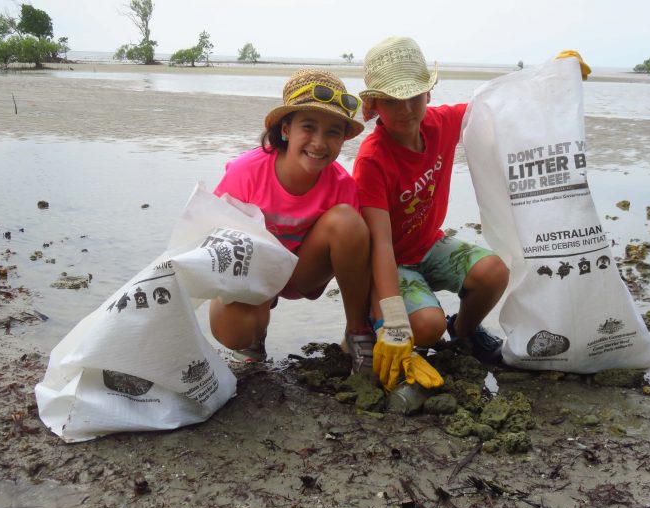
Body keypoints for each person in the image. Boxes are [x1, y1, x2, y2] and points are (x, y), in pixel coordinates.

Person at [352, 37, 510, 392]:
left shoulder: (441, 123)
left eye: (414, 96)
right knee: (425, 327)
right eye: (392, 100)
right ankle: (373, 316)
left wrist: (556, 77)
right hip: (393, 262)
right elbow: (379, 245)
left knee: (494, 271)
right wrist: (392, 322)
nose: (406, 109)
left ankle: (465, 333)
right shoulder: (372, 160)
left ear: (428, 94)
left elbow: (498, 107)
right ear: (374, 103)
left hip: (430, 245)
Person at [210, 68, 375, 369]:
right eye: (308, 127)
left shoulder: (342, 186)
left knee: (348, 222)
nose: (319, 143)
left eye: (333, 132)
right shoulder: (245, 173)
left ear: (342, 140)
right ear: (286, 129)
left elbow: (361, 258)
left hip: (302, 274)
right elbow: (213, 240)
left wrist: (388, 320)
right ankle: (254, 340)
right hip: (252, 275)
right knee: (236, 332)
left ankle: (357, 333)